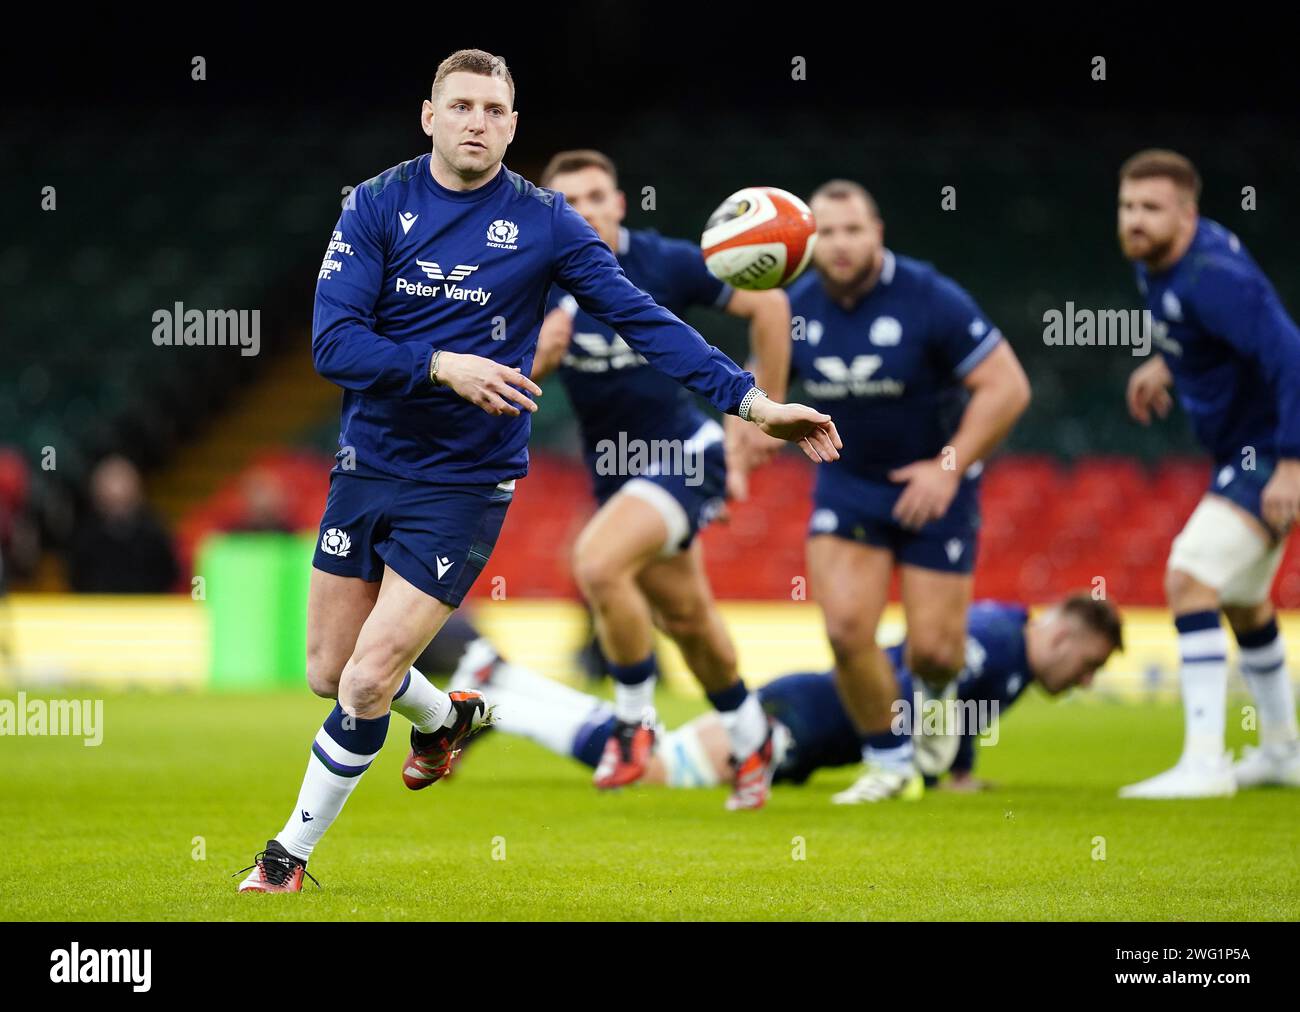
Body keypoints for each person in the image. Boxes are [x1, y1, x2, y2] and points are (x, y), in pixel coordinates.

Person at [237, 49, 840, 892]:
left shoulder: (548, 222)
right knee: (329, 674)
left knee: (369, 678)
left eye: (494, 110)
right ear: (429, 116)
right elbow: (334, 344)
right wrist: (444, 365)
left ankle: (286, 858)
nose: (477, 122)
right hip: (367, 465)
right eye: (462, 107)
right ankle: (448, 719)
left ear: (513, 126)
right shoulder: (375, 206)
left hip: (465, 482)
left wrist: (751, 401)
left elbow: (644, 319)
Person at [749, 180, 1030, 804]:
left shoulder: (930, 296)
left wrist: (948, 467)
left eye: (855, 229)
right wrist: (751, 436)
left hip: (937, 487)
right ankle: (890, 763)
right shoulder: (791, 307)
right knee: (848, 630)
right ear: (808, 240)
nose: (842, 243)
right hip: (848, 485)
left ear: (878, 233)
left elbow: (1007, 387)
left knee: (934, 652)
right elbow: (761, 393)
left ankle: (935, 703)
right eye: (828, 232)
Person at [531, 149, 793, 809]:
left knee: (595, 561)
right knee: (687, 618)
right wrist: (540, 358)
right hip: (616, 478)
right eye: (568, 203)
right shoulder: (539, 279)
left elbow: (772, 307)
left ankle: (631, 727)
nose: (585, 211)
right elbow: (509, 377)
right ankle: (751, 735)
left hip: (685, 453)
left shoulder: (664, 261)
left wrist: (759, 417)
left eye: (596, 196)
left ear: (620, 202)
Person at [445, 595, 1122, 795]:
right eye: (1088, 665)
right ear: (1063, 635)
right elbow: (926, 674)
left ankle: (498, 682)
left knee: (663, 756)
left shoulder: (1009, 649)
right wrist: (917, 760)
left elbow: (957, 704)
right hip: (808, 716)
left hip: (814, 723)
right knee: (654, 771)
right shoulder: (997, 641)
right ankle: (495, 701)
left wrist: (958, 770)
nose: (1085, 682)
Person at [1118, 149, 1300, 797]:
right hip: (1245, 448)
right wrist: (1169, 363)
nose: (1136, 220)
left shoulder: (1212, 275)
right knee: (1244, 600)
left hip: (1267, 451)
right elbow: (1214, 336)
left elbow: (1289, 355)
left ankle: (1203, 764)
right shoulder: (1163, 263)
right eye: (1128, 206)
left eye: (1151, 209)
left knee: (1190, 579)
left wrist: (1290, 463)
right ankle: (1281, 752)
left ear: (1188, 215)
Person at [66, 455, 179, 593]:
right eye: (111, 503)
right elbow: (76, 578)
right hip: (98, 610)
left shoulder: (154, 533)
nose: (118, 512)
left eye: (123, 503)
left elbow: (169, 574)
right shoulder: (85, 536)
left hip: (146, 610)